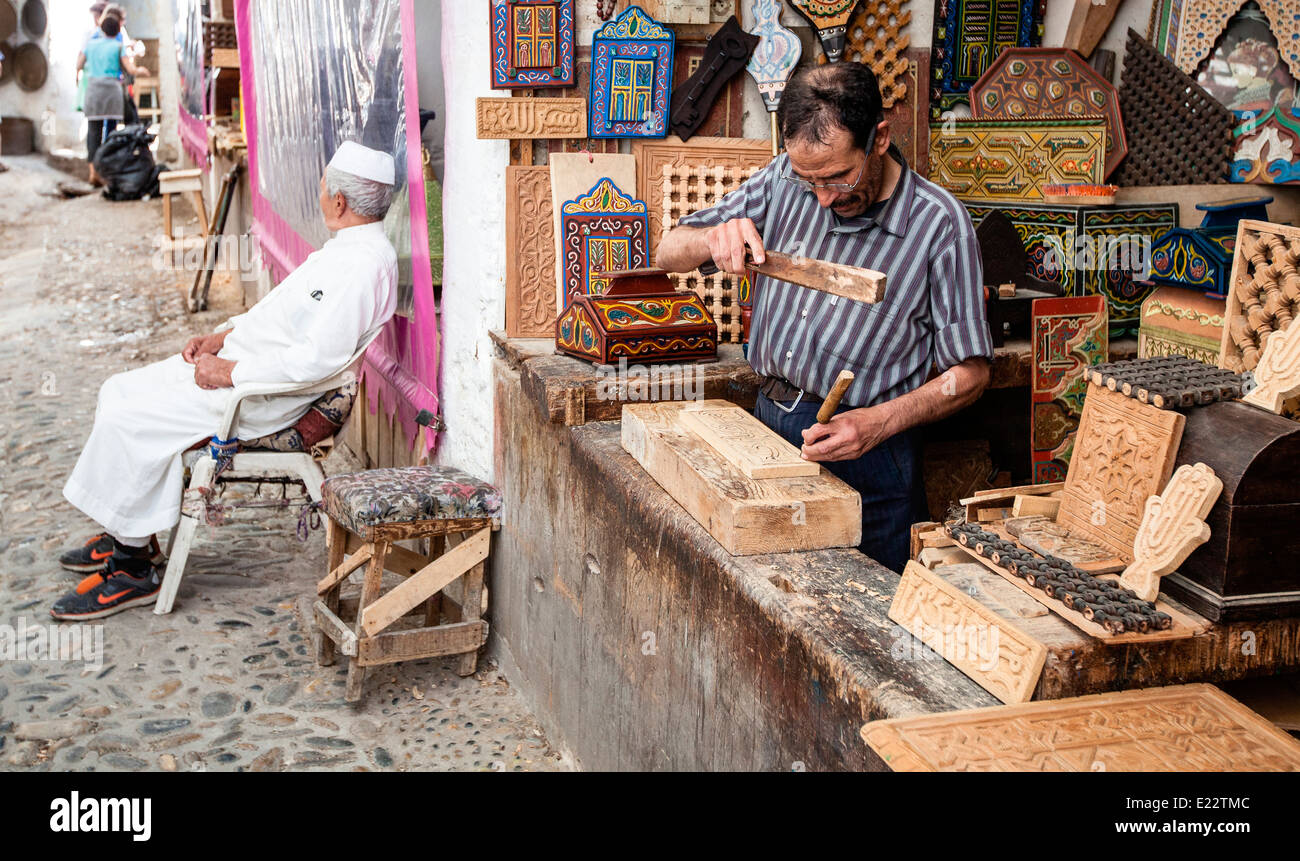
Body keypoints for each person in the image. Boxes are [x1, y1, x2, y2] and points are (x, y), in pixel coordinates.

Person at [655, 63, 992, 573]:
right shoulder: (782, 179)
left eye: (838, 177)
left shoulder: (940, 225)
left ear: (879, 137)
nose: (823, 198)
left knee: (864, 627)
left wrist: (878, 422)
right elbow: (666, 250)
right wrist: (711, 238)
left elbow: (970, 376)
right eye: (808, 180)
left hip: (871, 455)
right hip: (768, 428)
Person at [52, 142, 401, 620]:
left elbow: (313, 363)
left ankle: (133, 567)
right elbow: (276, 315)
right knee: (118, 390)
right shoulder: (344, 252)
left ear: (339, 201)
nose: (320, 194)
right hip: (247, 368)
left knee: (128, 418)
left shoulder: (363, 266)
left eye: (323, 186)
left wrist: (230, 371)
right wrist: (222, 336)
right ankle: (132, 530)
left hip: (262, 397)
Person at [78, 9, 147, 186]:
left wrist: (77, 76)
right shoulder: (118, 47)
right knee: (111, 132)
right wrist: (142, 71)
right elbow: (130, 69)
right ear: (118, 31)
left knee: (93, 132)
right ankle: (107, 170)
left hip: (94, 91)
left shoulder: (91, 45)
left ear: (102, 28)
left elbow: (79, 64)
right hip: (111, 92)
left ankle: (93, 172)